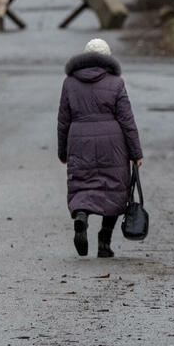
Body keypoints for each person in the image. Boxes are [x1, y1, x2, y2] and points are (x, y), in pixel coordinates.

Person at [57, 38, 143, 258]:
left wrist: (62, 151)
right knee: (113, 189)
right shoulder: (116, 82)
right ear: (108, 58)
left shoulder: (70, 82)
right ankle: (104, 242)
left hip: (80, 141)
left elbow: (63, 120)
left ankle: (82, 217)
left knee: (81, 185)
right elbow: (127, 120)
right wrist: (136, 153)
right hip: (112, 145)